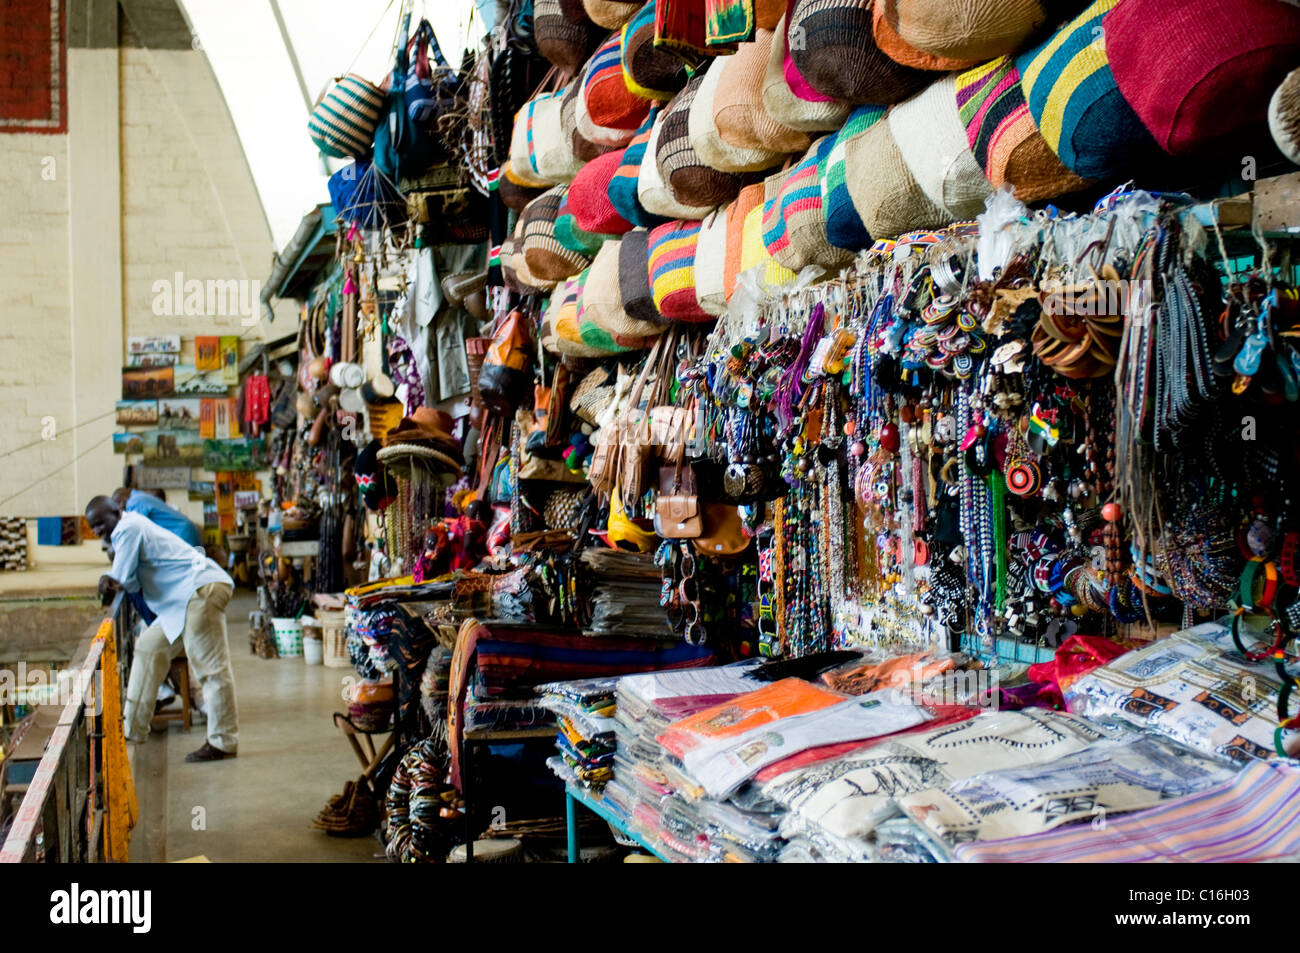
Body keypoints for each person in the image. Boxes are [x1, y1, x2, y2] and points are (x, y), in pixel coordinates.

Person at [85, 495, 238, 762]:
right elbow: (129, 582)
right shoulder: (129, 528)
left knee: (210, 668)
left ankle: (223, 741)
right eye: (93, 528)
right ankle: (132, 730)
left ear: (116, 511)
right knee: (147, 647)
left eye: (101, 523)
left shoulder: (127, 527)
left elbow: (117, 579)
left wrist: (105, 579)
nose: (99, 531)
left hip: (200, 590)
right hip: (179, 602)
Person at [111, 487, 202, 547]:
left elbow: (134, 529)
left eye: (118, 506)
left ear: (123, 499)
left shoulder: (134, 501)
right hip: (185, 530)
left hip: (181, 534)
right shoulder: (140, 497)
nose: (121, 509)